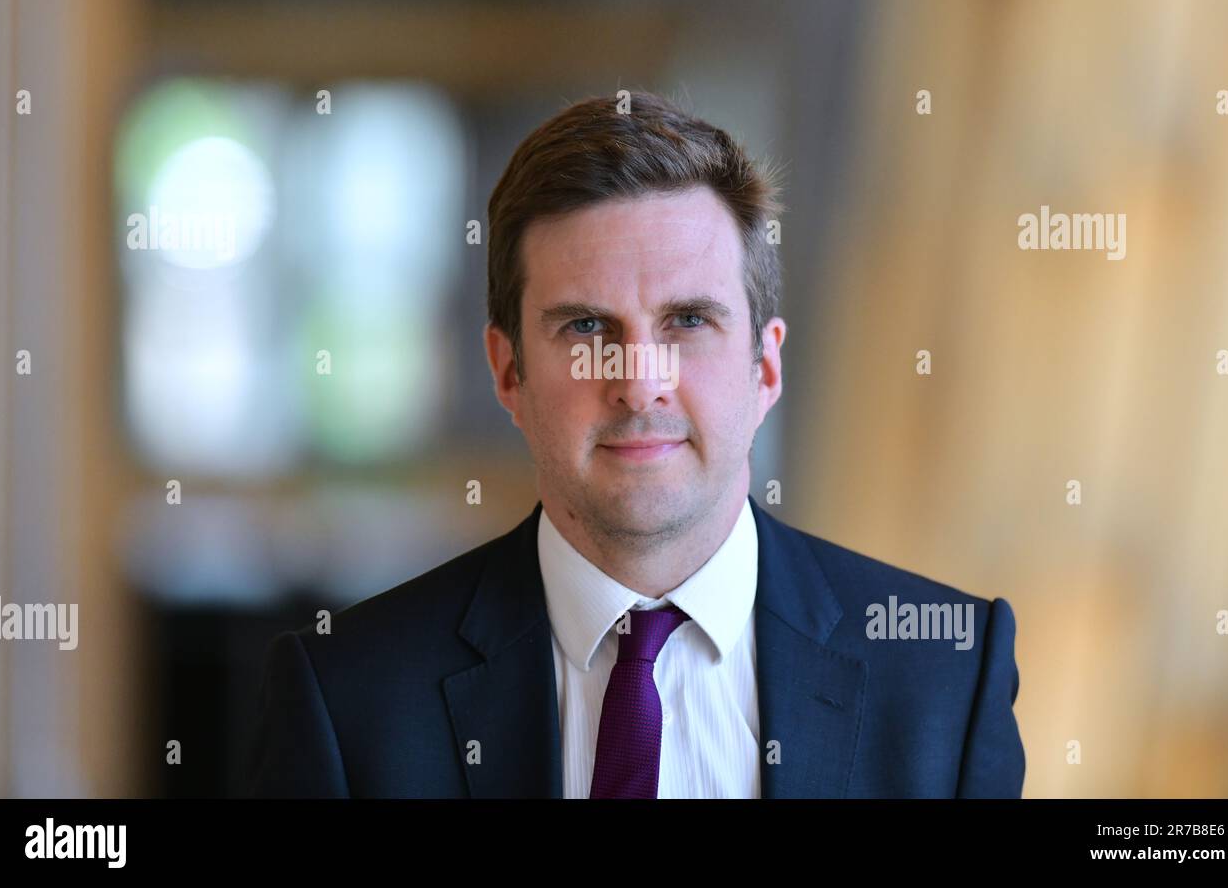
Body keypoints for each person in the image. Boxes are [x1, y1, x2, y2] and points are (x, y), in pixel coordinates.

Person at [246, 91, 1025, 798]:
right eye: (587, 327)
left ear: (766, 365)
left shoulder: (944, 677)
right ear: (508, 369)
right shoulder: (350, 698)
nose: (639, 382)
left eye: (688, 321)